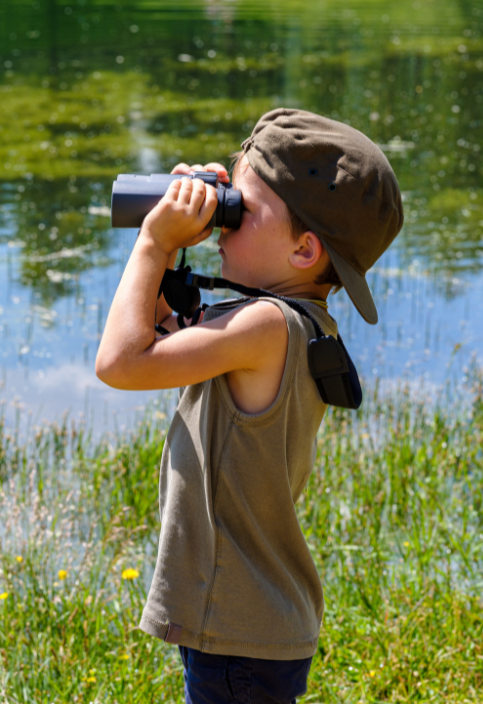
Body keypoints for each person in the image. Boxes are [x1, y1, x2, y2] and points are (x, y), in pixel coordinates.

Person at [95, 109, 403, 704]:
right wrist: (165, 252)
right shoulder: (286, 321)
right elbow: (161, 337)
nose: (223, 217)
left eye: (240, 208)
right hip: (248, 628)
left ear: (304, 248)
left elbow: (122, 362)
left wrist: (156, 241)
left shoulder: (266, 325)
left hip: (239, 636)